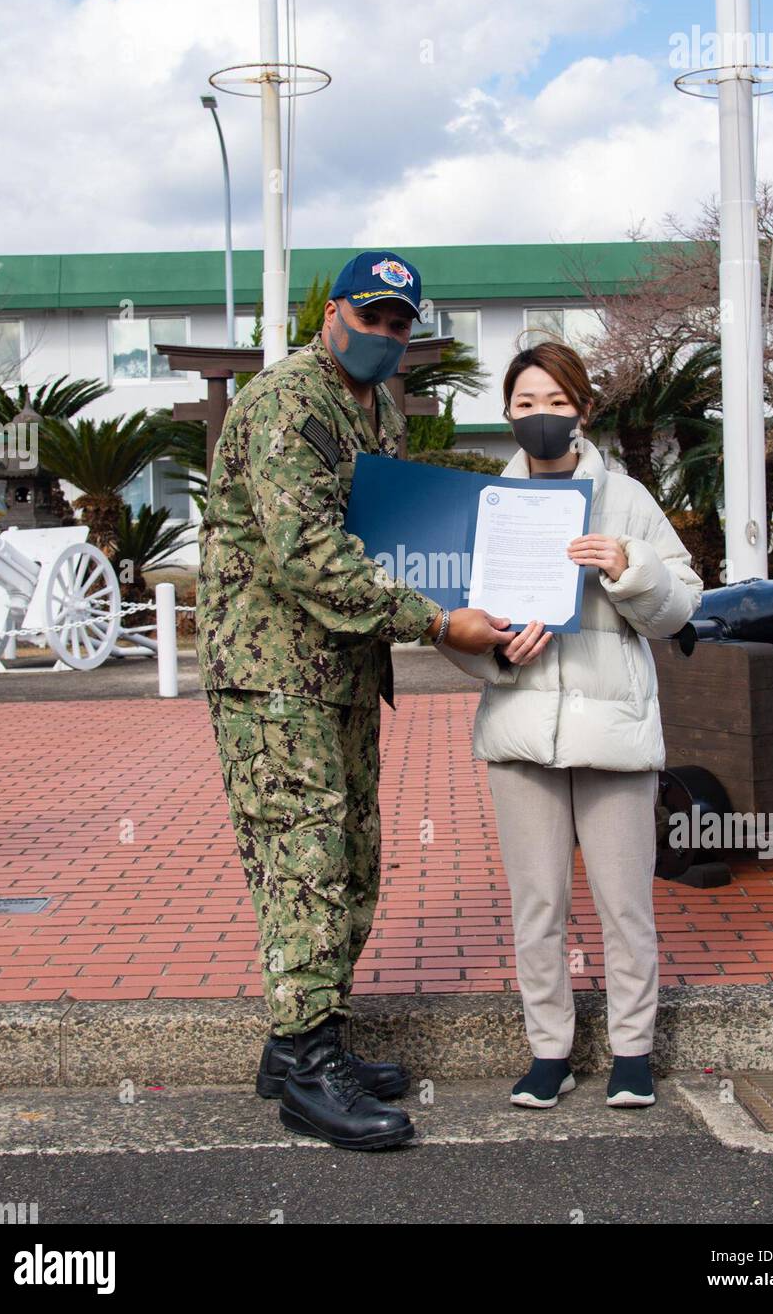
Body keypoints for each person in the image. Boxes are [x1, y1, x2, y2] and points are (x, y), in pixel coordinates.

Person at [196, 250, 515, 1152]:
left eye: (399, 324)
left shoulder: (375, 408)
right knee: (305, 857)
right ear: (331, 312)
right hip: (272, 673)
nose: (383, 335)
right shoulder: (288, 401)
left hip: (340, 670)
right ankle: (306, 1064)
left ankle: (306, 1037)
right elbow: (309, 554)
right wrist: (438, 621)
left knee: (353, 857)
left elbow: (394, 532)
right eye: (369, 316)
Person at [436, 339, 703, 1109]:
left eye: (556, 402)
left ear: (583, 410)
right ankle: (548, 1049)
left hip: (613, 731)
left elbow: (681, 606)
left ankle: (632, 1051)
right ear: (508, 415)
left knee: (625, 902)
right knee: (538, 904)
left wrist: (628, 567)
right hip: (521, 730)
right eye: (526, 404)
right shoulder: (490, 504)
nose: (541, 417)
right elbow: (459, 625)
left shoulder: (625, 497)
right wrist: (494, 651)